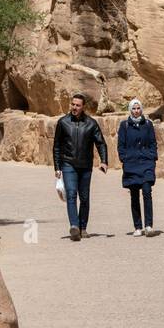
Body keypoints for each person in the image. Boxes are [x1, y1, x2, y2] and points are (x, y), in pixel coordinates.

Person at [53, 92, 108, 240]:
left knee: (84, 198)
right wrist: (57, 167)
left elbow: (101, 143)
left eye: (78, 105)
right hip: (68, 164)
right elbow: (57, 146)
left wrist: (104, 161)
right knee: (71, 194)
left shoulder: (91, 123)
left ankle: (83, 227)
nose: (74, 107)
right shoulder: (63, 122)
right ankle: (74, 226)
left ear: (83, 107)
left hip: (85, 166)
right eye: (73, 104)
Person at [117, 98, 158, 236]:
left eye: (138, 108)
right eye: (133, 108)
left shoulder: (147, 124)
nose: (136, 111)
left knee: (147, 192)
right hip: (131, 164)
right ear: (130, 110)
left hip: (146, 162)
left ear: (141, 109)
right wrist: (124, 158)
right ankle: (138, 226)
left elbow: (153, 142)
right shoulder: (124, 125)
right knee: (134, 195)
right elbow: (121, 145)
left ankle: (148, 225)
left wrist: (152, 157)